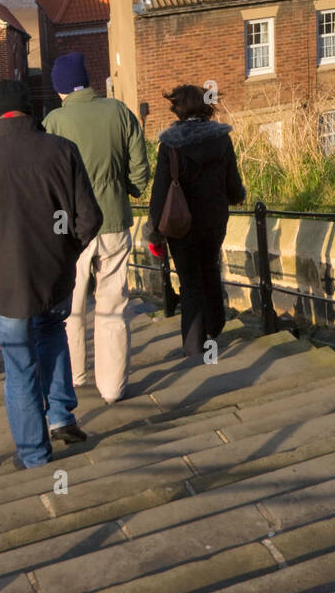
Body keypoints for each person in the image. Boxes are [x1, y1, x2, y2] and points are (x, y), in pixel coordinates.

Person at [0, 79, 102, 469]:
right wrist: (67, 250)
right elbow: (89, 218)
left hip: (5, 281)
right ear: (28, 110)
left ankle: (34, 455)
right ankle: (62, 418)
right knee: (53, 336)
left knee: (19, 364)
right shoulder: (62, 150)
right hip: (54, 274)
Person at [43, 52, 149, 403]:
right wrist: (130, 189)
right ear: (87, 82)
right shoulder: (118, 111)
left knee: (71, 307)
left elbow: (48, 181)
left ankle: (76, 375)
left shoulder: (55, 121)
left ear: (61, 89)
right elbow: (139, 168)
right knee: (113, 307)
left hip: (72, 229)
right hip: (114, 220)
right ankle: (113, 387)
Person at [145, 85, 246, 359]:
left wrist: (154, 231)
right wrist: (238, 197)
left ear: (178, 109)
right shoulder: (222, 140)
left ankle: (193, 344)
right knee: (210, 268)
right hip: (214, 221)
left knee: (190, 280)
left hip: (181, 225)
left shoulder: (171, 145)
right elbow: (233, 183)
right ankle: (215, 324)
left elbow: (160, 191)